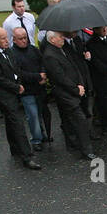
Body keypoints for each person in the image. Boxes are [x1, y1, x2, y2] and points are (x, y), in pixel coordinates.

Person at [0, 28, 41, 170]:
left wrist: (18, 82)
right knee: (17, 122)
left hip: (13, 89)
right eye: (3, 38)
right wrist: (16, 87)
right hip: (3, 95)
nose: (6, 41)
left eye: (7, 38)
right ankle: (27, 156)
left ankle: (14, 148)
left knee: (10, 120)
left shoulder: (7, 50)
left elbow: (15, 68)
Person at [41, 30, 96, 160]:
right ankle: (86, 150)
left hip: (75, 89)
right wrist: (76, 89)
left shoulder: (63, 49)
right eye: (60, 37)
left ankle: (73, 144)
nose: (63, 39)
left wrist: (80, 84)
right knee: (80, 120)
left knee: (71, 120)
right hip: (66, 94)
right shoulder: (50, 55)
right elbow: (60, 78)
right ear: (52, 39)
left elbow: (75, 67)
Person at [8, 27, 46, 150]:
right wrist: (37, 76)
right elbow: (19, 73)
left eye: (25, 37)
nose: (24, 41)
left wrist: (43, 75)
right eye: (21, 38)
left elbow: (42, 63)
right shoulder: (12, 54)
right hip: (27, 90)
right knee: (32, 115)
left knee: (39, 113)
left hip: (39, 88)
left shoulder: (33, 50)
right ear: (14, 40)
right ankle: (36, 139)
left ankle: (40, 133)